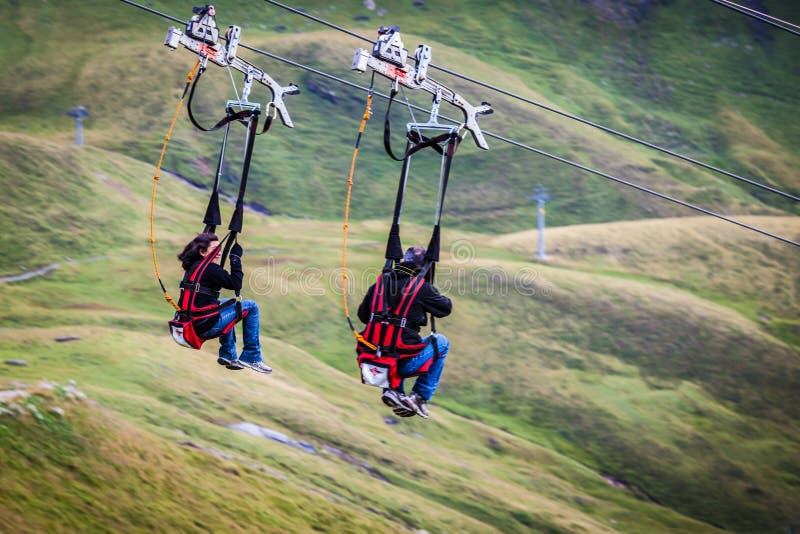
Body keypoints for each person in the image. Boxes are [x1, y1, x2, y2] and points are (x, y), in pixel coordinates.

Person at [357, 246, 451, 418]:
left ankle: (394, 390)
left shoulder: (380, 283)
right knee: (441, 342)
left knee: (391, 343)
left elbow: (363, 316)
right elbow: (445, 308)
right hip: (402, 364)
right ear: (423, 268)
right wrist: (429, 289)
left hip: (374, 360)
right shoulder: (421, 288)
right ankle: (419, 397)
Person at [177, 233, 272, 374]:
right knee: (252, 306)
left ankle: (228, 354)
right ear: (203, 252)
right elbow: (235, 283)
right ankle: (252, 357)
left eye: (219, 249)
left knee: (226, 303)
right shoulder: (210, 269)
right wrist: (235, 259)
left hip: (191, 322)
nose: (219, 253)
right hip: (205, 326)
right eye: (215, 249)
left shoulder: (193, 266)